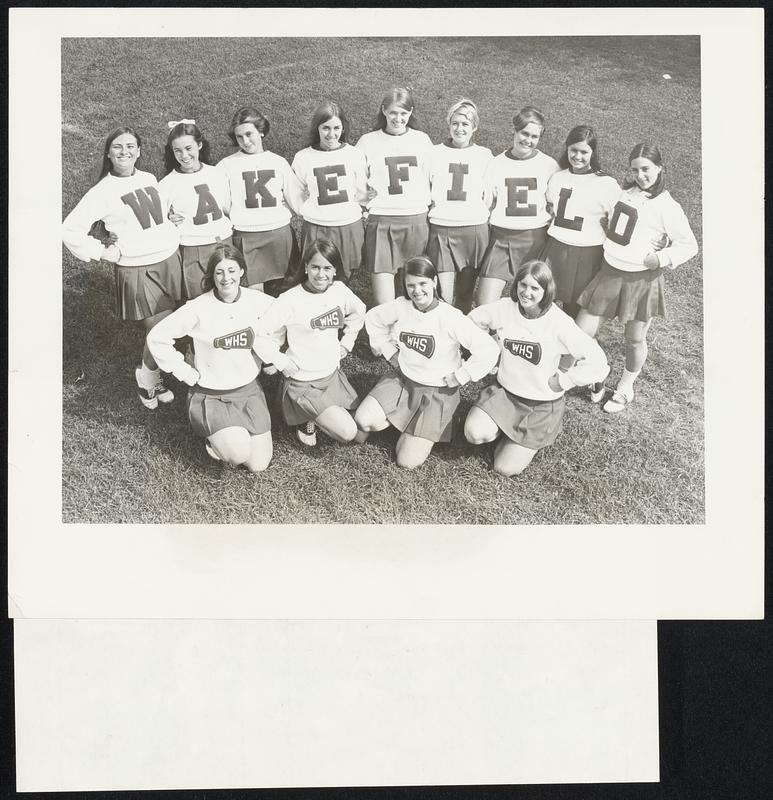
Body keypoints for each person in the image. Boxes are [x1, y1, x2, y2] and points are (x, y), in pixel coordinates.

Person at [62, 126, 182, 409]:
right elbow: (69, 230)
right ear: (108, 153)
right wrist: (103, 252)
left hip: (168, 258)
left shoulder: (149, 177)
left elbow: (154, 213)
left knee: (170, 325)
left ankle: (155, 372)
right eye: (118, 146)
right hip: (138, 267)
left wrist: (170, 217)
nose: (125, 151)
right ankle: (147, 377)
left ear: (139, 151)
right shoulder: (102, 191)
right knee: (160, 329)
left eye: (131, 146)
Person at [575, 143, 698, 412]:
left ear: (659, 169)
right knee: (581, 333)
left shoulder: (668, 206)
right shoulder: (623, 192)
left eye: (646, 169)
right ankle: (598, 373)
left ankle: (625, 387)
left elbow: (689, 245)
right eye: (635, 169)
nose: (640, 175)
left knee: (633, 339)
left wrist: (661, 258)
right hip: (608, 273)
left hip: (641, 279)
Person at [465, 259, 609, 476]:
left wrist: (564, 381)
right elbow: (473, 320)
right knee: (473, 434)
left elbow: (598, 362)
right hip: (505, 393)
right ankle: (506, 430)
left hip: (540, 405)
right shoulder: (505, 308)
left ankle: (523, 438)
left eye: (535, 288)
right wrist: (490, 346)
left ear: (547, 290)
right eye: (523, 285)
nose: (526, 293)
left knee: (504, 468)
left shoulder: (559, 323)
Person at [356, 255, 499, 469]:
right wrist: (389, 351)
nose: (417, 291)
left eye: (423, 283)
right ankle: (405, 420)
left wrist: (462, 376)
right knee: (364, 420)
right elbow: (373, 319)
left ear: (434, 282)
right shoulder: (401, 306)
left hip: (437, 391)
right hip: (403, 380)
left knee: (406, 461)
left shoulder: (451, 317)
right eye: (410, 285)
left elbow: (488, 349)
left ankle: (414, 426)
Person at [145, 243, 275, 471]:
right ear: (212, 276)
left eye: (232, 270)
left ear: (242, 271)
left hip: (248, 390)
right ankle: (213, 439)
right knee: (239, 453)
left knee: (258, 465)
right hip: (211, 393)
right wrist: (184, 372)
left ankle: (229, 435)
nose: (226, 278)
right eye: (220, 272)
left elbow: (286, 321)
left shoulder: (258, 301)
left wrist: (271, 354)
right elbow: (157, 337)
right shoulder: (198, 308)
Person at [252, 239, 366, 447]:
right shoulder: (290, 299)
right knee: (348, 432)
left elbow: (359, 312)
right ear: (305, 267)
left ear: (334, 271)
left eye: (327, 268)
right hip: (302, 380)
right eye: (315, 267)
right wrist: (280, 361)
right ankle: (304, 415)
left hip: (331, 375)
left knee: (362, 434)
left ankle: (318, 412)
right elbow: (260, 334)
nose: (321, 274)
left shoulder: (339, 291)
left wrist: (347, 342)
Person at [355, 87, 434, 305]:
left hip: (415, 221)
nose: (398, 118)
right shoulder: (367, 141)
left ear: (411, 113)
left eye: (403, 113)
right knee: (385, 302)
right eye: (393, 113)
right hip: (381, 221)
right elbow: (357, 181)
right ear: (383, 111)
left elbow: (432, 179)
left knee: (415, 294)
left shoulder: (422, 140)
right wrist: (365, 197)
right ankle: (385, 338)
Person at [476, 106, 560, 307]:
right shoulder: (496, 163)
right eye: (524, 133)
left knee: (532, 303)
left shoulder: (548, 165)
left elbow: (556, 203)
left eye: (534, 136)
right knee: (484, 305)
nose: (528, 140)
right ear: (514, 130)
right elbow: (486, 202)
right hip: (502, 240)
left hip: (535, 240)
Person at [217, 106, 304, 294]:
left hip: (279, 235)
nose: (245, 141)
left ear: (261, 131)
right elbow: (223, 204)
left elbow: (296, 199)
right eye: (239, 137)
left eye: (249, 134)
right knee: (253, 294)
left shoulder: (278, 162)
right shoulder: (226, 165)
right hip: (246, 236)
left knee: (286, 292)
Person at [540, 125, 620, 320]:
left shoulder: (606, 184)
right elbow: (551, 205)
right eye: (573, 150)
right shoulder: (558, 178)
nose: (577, 156)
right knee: (542, 299)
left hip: (588, 251)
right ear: (566, 149)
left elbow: (620, 218)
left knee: (574, 308)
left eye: (584, 152)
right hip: (556, 247)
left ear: (593, 153)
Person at [427, 98, 493, 313]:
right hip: (442, 228)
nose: (459, 128)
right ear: (448, 124)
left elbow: (490, 196)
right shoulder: (434, 152)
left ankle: (462, 340)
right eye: (455, 123)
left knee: (465, 294)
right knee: (444, 296)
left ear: (474, 127)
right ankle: (445, 340)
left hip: (473, 231)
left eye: (465, 124)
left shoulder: (484, 155)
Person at [291, 100, 367, 281]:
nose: (331, 134)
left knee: (345, 276)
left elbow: (362, 190)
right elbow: (295, 193)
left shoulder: (353, 154)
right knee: (318, 276)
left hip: (348, 225)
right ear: (317, 128)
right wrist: (308, 208)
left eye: (336, 128)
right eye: (326, 128)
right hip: (317, 226)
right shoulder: (303, 157)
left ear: (343, 128)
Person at [159, 119, 233, 300]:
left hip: (224, 242)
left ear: (199, 145)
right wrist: (169, 219)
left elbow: (229, 208)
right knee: (199, 301)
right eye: (177, 150)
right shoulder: (167, 184)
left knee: (229, 295)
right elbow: (159, 221)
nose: (184, 155)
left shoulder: (217, 173)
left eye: (188, 148)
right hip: (192, 248)